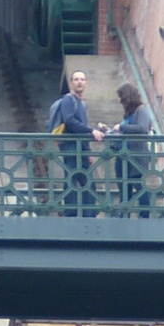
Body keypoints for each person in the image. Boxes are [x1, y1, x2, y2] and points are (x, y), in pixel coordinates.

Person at [48, 68, 96, 217]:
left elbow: (81, 127)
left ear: (86, 83)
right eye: (76, 79)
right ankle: (71, 213)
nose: (79, 82)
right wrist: (91, 131)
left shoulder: (82, 104)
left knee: (86, 180)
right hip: (70, 146)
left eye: (82, 79)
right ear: (71, 83)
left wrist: (88, 152)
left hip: (81, 148)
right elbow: (69, 120)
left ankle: (88, 213)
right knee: (72, 178)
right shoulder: (69, 100)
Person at [106, 82, 156, 216]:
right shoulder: (129, 115)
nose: (121, 101)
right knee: (124, 189)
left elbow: (142, 128)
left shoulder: (141, 110)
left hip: (136, 157)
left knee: (139, 186)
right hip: (124, 157)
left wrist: (121, 127)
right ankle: (124, 217)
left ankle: (145, 216)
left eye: (122, 98)